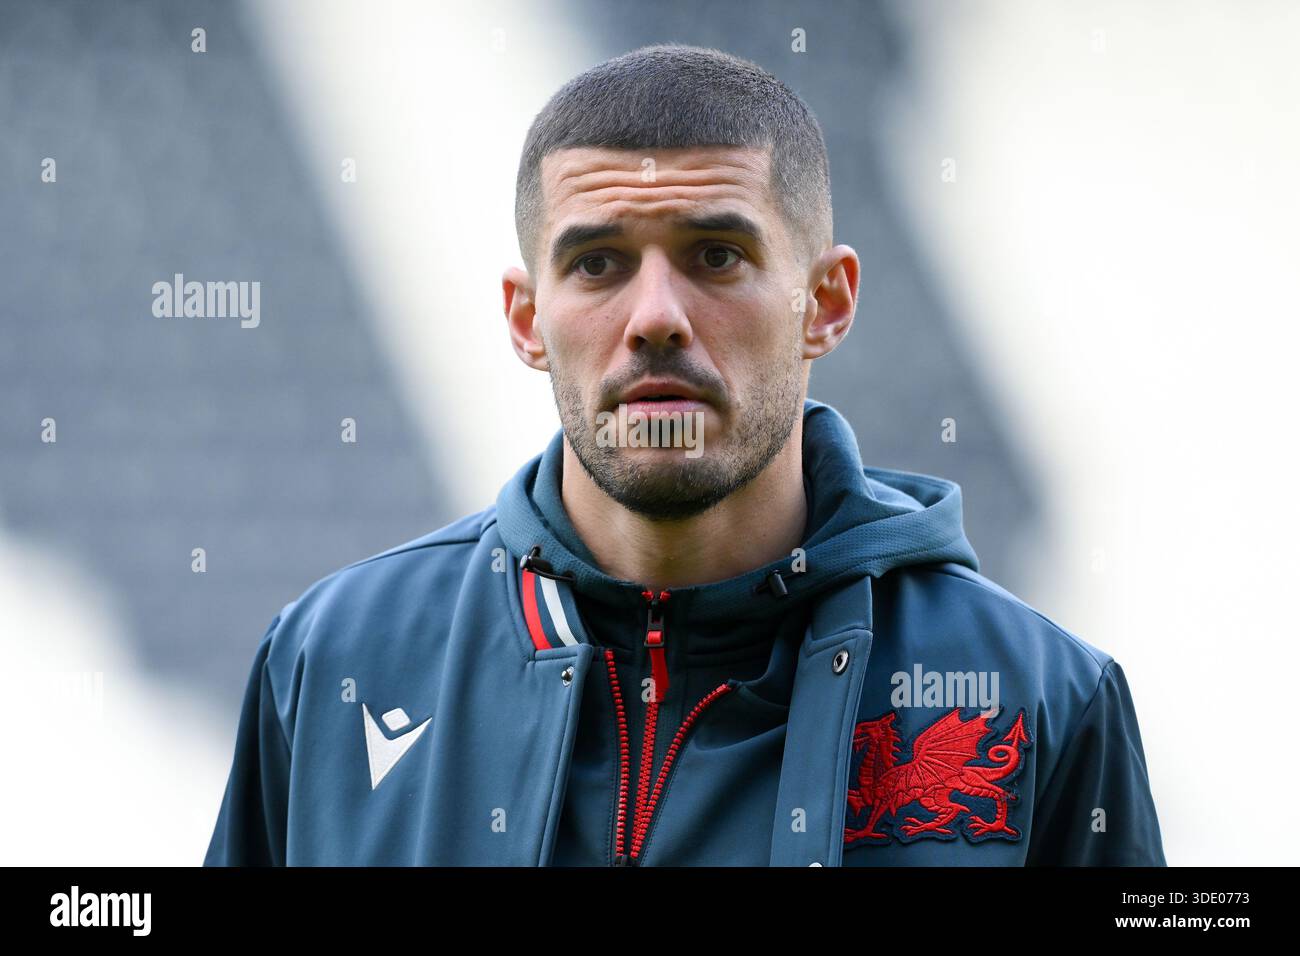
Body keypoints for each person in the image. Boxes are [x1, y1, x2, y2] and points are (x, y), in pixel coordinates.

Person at [204, 43, 1165, 866]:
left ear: (825, 302)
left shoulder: (1041, 700)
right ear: (527, 319)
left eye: (715, 255)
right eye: (597, 264)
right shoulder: (333, 662)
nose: (655, 319)